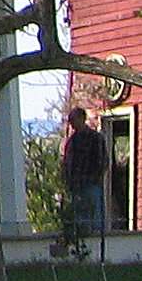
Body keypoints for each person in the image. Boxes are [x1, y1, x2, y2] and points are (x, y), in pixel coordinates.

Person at [59, 107, 108, 254]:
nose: (72, 124)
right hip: (76, 186)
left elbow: (103, 161)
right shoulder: (72, 142)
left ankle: (99, 251)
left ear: (82, 118)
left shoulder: (95, 138)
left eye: (73, 120)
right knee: (80, 218)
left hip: (91, 184)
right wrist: (68, 181)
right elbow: (67, 163)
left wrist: (94, 178)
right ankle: (82, 249)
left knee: (95, 217)